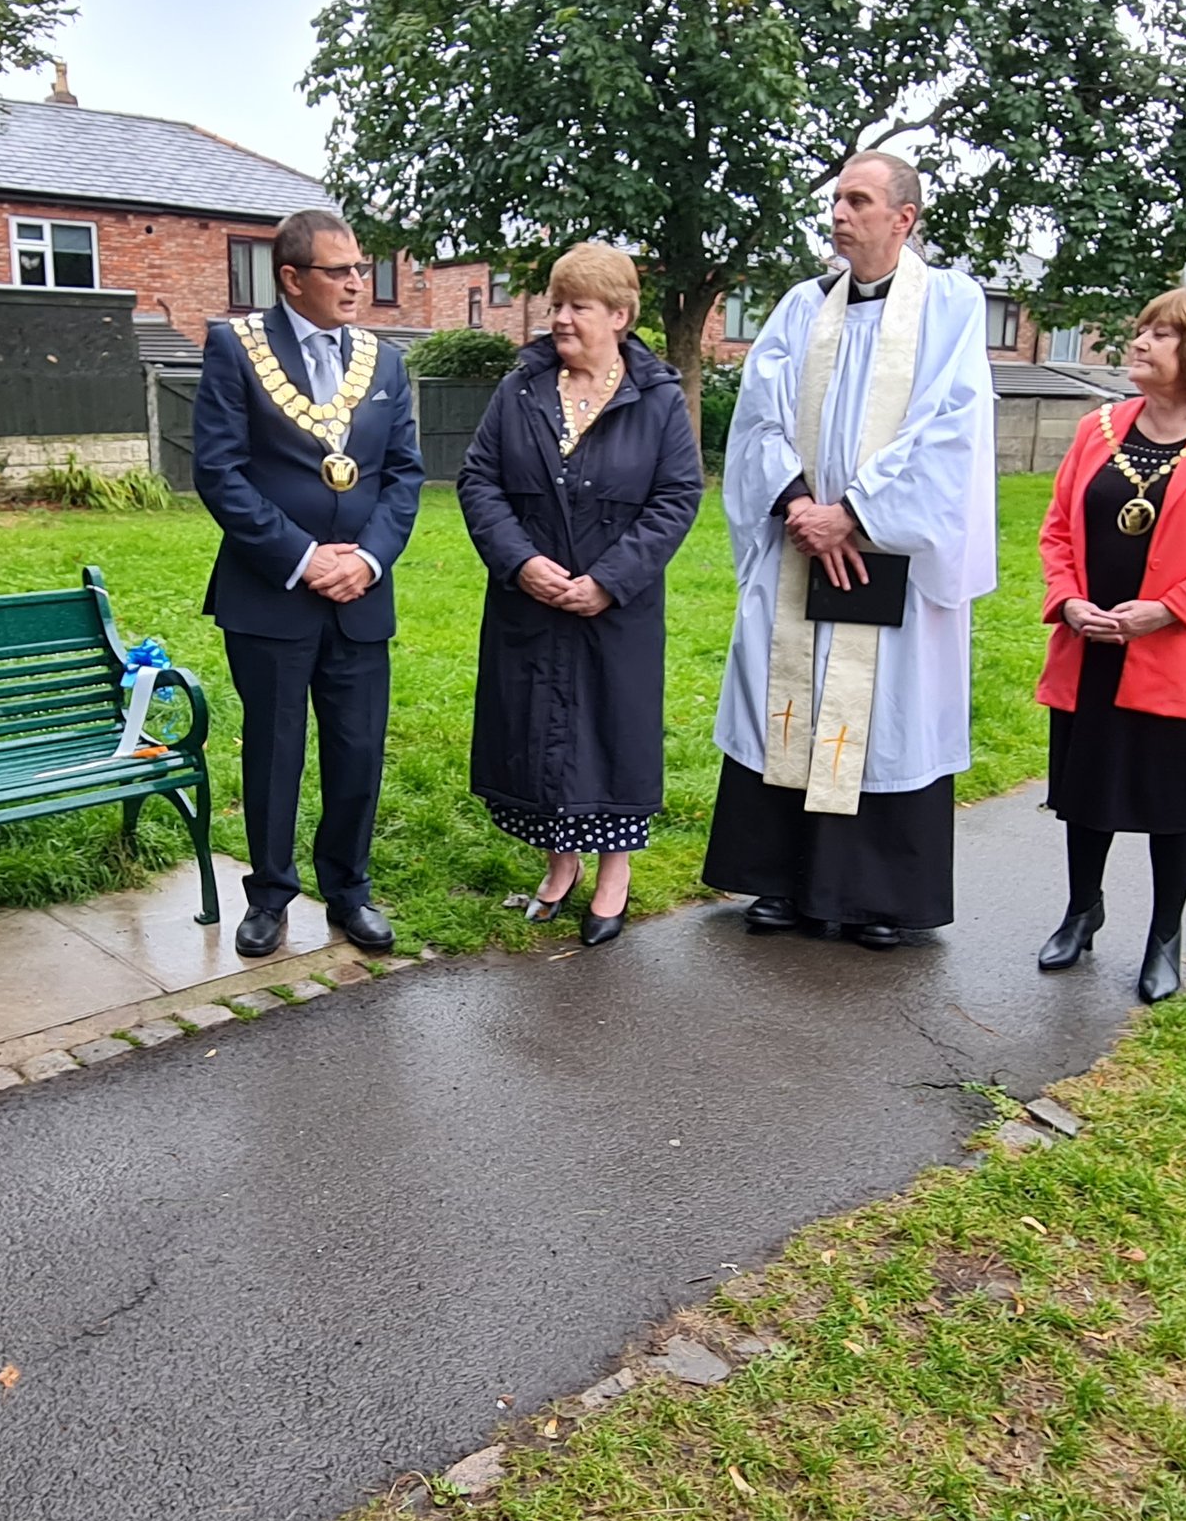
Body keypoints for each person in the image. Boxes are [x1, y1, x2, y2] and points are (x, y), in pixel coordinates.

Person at [703, 151, 998, 949]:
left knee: (881, 709)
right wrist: (800, 502)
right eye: (835, 199)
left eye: (858, 201)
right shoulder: (803, 306)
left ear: (904, 218)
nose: (838, 213)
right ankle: (782, 880)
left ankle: (874, 895)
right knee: (790, 696)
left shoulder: (950, 304)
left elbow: (950, 425)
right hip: (804, 538)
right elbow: (758, 417)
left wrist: (859, 513)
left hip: (886, 551)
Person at [1034, 285, 1186, 1001]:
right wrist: (1069, 600)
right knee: (1083, 791)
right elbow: (1057, 528)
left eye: (1163, 334)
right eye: (1142, 329)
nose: (1141, 342)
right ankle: (1083, 911)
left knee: (1171, 799)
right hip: (1092, 642)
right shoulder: (1099, 427)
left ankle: (1164, 935)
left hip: (1180, 649)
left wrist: (1169, 610)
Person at [191, 207, 424, 958]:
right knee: (274, 750)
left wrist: (366, 559)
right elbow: (219, 473)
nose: (357, 282)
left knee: (357, 749)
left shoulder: (384, 362)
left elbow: (403, 477)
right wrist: (303, 556)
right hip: (271, 594)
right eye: (339, 270)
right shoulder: (236, 347)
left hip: (362, 595)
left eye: (360, 268)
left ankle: (349, 890)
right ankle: (269, 893)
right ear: (291, 277)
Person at [457, 244, 705, 948]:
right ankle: (560, 864)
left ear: (620, 316)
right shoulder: (521, 390)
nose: (561, 319)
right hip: (530, 602)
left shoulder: (655, 399)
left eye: (579, 306)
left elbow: (678, 496)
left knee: (610, 734)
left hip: (615, 610)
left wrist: (610, 579)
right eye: (557, 304)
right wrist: (521, 562)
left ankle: (614, 874)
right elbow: (479, 481)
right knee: (537, 730)